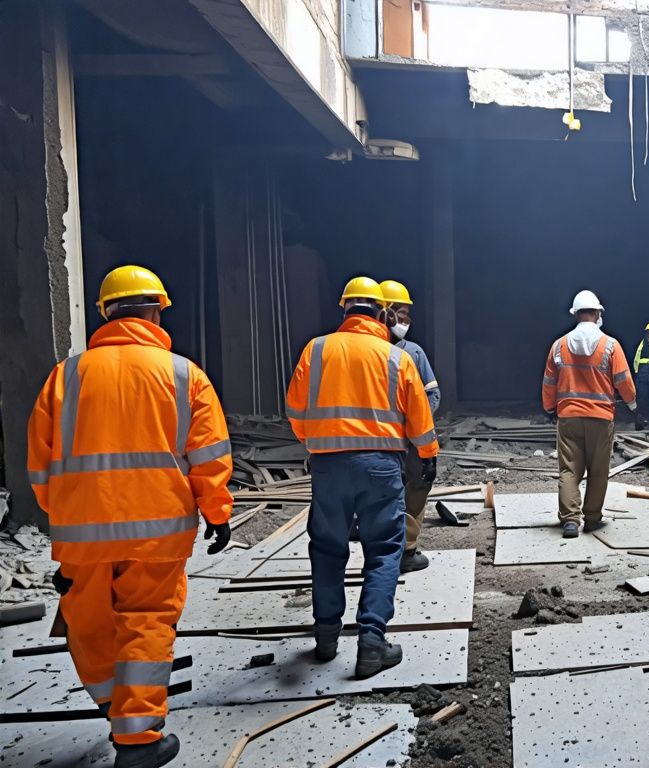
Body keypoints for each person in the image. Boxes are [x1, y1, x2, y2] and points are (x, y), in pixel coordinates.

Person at [27, 265, 234, 768]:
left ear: (106, 314)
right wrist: (217, 513)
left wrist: (67, 514)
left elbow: (39, 464)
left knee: (89, 624)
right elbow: (208, 457)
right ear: (157, 312)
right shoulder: (184, 375)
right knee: (146, 623)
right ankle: (138, 736)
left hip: (81, 532)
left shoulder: (65, 376)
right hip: (158, 532)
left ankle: (112, 706)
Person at [285, 276, 439, 678]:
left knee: (327, 549)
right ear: (381, 313)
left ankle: (326, 637)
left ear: (345, 309)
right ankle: (371, 642)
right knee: (384, 551)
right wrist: (428, 456)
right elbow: (420, 419)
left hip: (328, 466)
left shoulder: (317, 350)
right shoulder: (395, 357)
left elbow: (296, 412)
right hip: (381, 467)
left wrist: (319, 443)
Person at [541, 290, 638, 539]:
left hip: (569, 417)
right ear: (597, 313)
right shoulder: (610, 345)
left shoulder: (559, 346)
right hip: (601, 418)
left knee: (569, 470)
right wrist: (632, 403)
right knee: (598, 471)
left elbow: (549, 382)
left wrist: (550, 407)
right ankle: (592, 518)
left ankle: (570, 521)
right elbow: (623, 380)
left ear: (576, 315)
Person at [378, 279, 440, 574]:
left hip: (409, 442)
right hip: (380, 442)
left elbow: (432, 395)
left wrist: (415, 428)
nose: (406, 320)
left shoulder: (413, 352)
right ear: (386, 313)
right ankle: (386, 550)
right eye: (401, 313)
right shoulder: (370, 352)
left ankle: (406, 549)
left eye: (407, 315)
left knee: (415, 489)